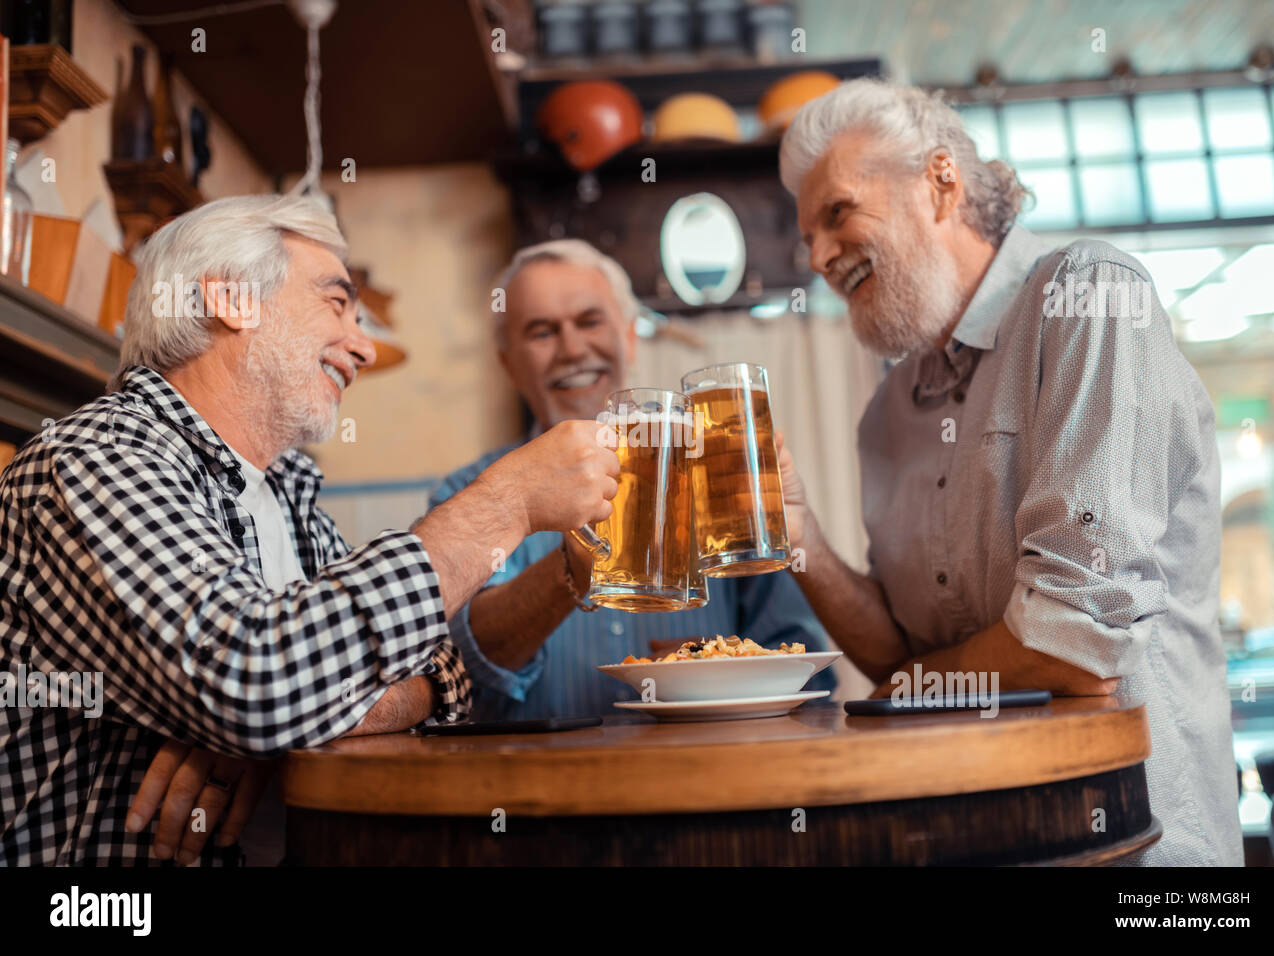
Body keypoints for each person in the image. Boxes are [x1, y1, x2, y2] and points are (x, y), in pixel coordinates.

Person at [0, 195, 619, 865]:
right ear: (232, 300)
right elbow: (259, 680)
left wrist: (279, 734)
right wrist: (509, 502)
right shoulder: (94, 458)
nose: (362, 345)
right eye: (336, 303)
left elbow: (444, 674)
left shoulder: (287, 494)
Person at [774, 78, 1242, 865]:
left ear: (939, 180)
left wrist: (915, 688)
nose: (818, 257)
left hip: (1145, 855)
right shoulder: (883, 417)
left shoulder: (1091, 298)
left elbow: (1071, 646)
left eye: (838, 213)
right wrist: (796, 532)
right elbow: (895, 658)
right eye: (808, 239)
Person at [429, 239, 835, 720]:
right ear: (508, 365)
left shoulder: (715, 476)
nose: (572, 348)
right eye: (541, 332)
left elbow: (803, 665)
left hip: (709, 781)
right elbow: (457, 667)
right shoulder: (466, 493)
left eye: (589, 321)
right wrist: (567, 573)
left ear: (629, 338)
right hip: (538, 788)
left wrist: (715, 666)